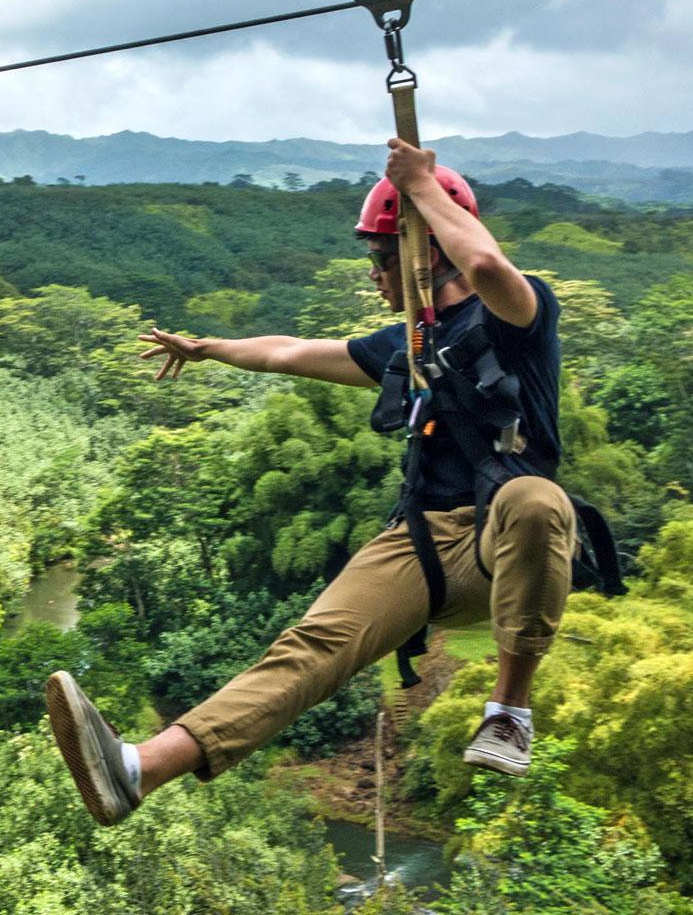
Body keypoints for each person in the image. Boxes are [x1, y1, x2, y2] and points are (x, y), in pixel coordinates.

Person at [47, 139, 578, 827]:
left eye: (380, 258)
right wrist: (206, 348)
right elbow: (289, 353)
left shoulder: (521, 318)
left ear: (424, 252)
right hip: (423, 540)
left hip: (504, 542)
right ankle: (139, 769)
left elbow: (483, 263)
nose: (373, 276)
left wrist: (421, 186)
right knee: (311, 647)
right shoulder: (409, 345)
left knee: (535, 498)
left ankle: (510, 713)